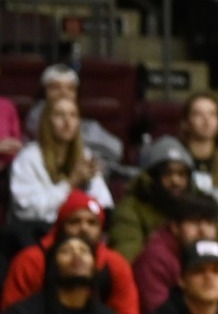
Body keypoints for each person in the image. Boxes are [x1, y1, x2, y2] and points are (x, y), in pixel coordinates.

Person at [1, 192, 138, 314]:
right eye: (75, 221)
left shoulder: (116, 264)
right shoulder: (31, 260)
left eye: (92, 223)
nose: (84, 228)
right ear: (60, 227)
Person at [10, 99, 111, 228]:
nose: (67, 121)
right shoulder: (28, 157)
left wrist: (89, 184)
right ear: (47, 121)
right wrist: (70, 183)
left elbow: (104, 204)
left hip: (80, 231)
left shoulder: (85, 155)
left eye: (73, 115)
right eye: (59, 115)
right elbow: (28, 210)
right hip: (38, 232)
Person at [132, 194, 218, 314]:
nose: (203, 230)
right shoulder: (154, 258)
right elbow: (154, 308)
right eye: (194, 222)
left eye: (209, 223)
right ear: (175, 226)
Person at [109, 138, 196, 259]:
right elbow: (127, 258)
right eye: (167, 173)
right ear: (151, 178)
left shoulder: (198, 208)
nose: (175, 181)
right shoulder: (130, 209)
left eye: (181, 174)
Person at [1, 236, 116, 314]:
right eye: (66, 251)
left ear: (94, 266)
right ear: (53, 266)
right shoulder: (22, 312)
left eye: (84, 251)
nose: (77, 255)